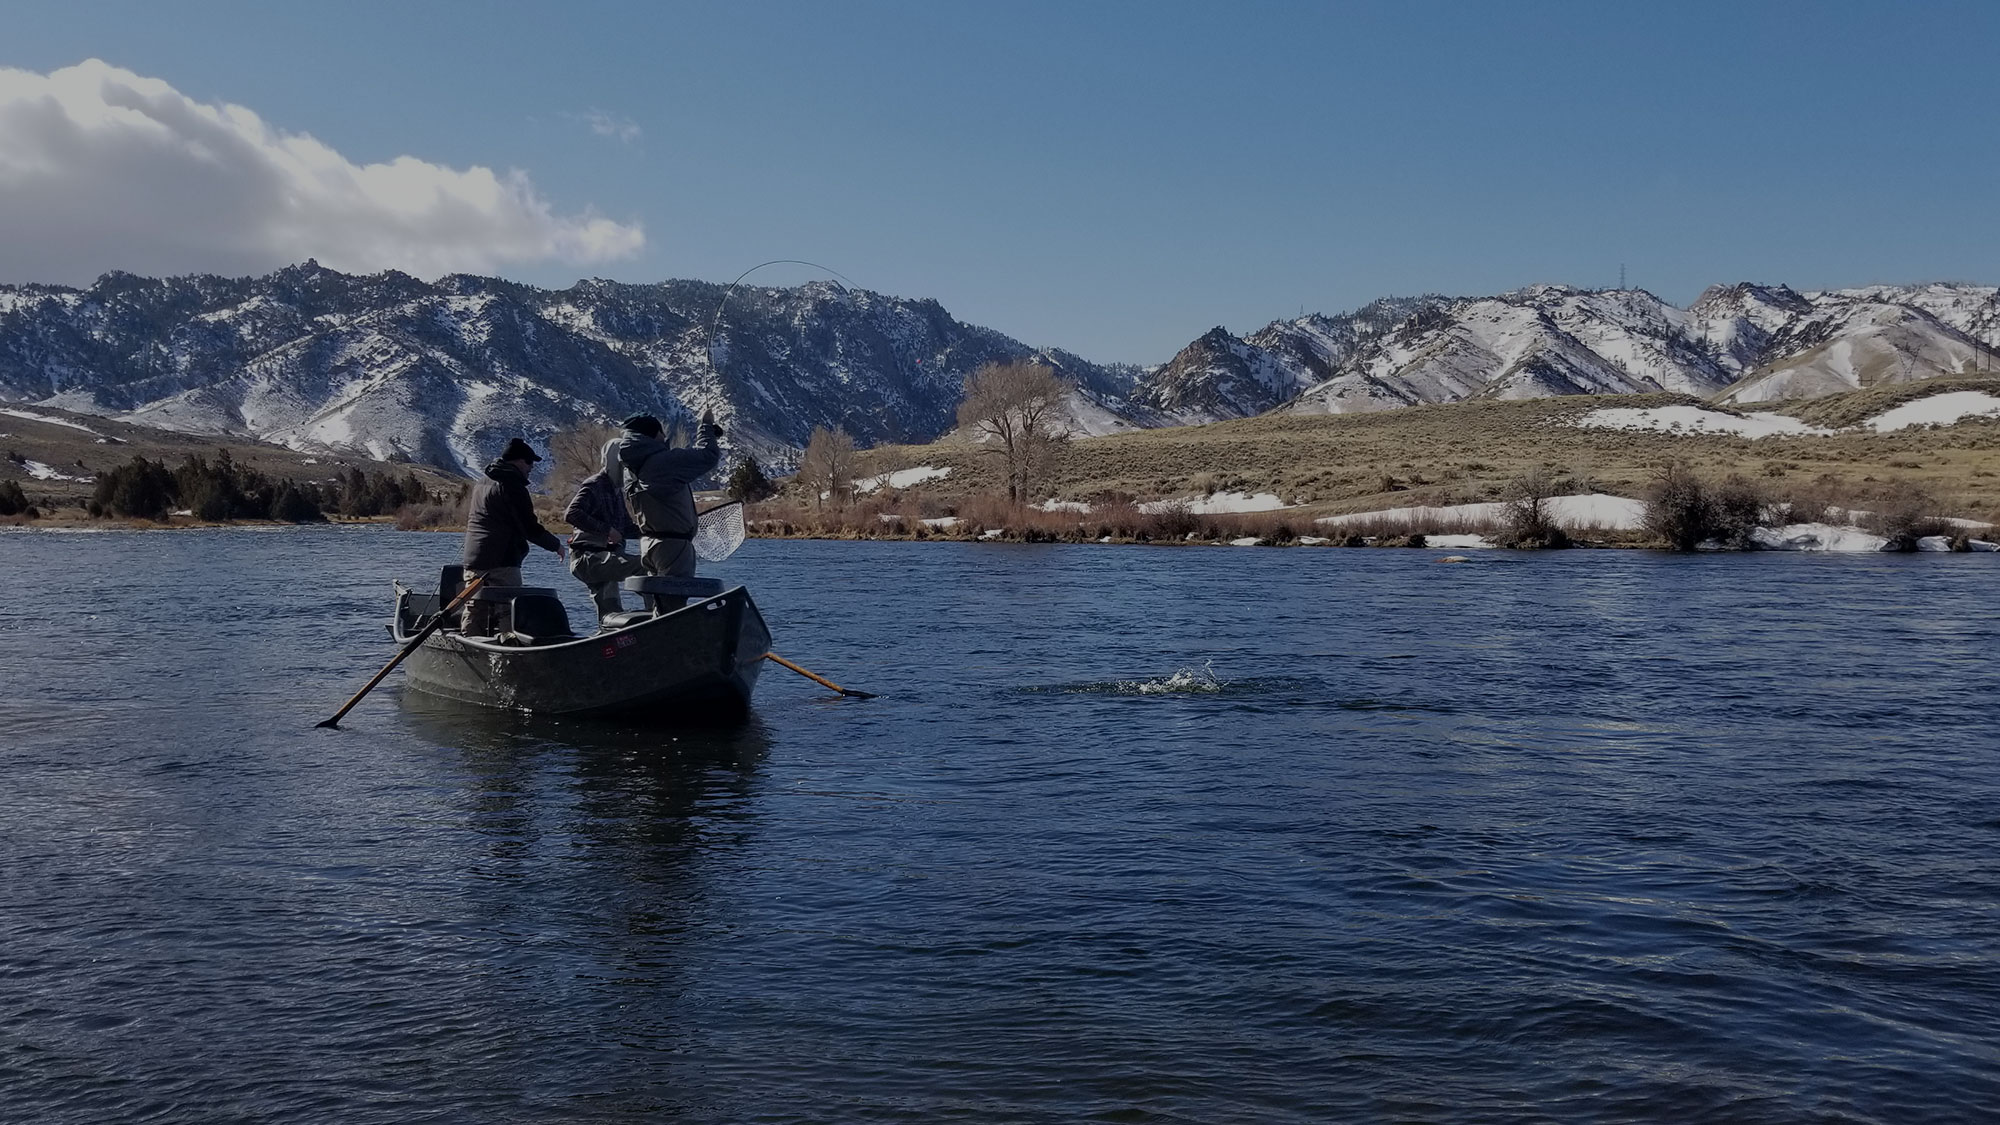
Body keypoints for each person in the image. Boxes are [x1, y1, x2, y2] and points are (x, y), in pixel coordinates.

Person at [461, 437, 564, 636]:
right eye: (528, 461)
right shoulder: (512, 485)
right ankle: (510, 654)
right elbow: (529, 527)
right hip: (503, 560)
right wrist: (555, 545)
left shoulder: (483, 482)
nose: (531, 467)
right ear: (517, 461)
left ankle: (469, 651)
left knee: (475, 606)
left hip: (474, 557)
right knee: (508, 608)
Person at [618, 410, 722, 581]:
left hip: (648, 545)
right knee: (674, 602)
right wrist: (706, 426)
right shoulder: (663, 462)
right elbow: (708, 456)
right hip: (673, 548)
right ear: (655, 434)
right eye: (662, 432)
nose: (665, 437)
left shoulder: (631, 469)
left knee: (659, 601)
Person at [562, 437, 646, 619]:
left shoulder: (616, 491)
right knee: (646, 565)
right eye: (624, 466)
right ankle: (660, 617)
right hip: (589, 559)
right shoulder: (595, 485)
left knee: (610, 613)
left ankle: (610, 638)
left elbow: (626, 528)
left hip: (605, 559)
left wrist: (653, 531)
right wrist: (607, 530)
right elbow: (571, 513)